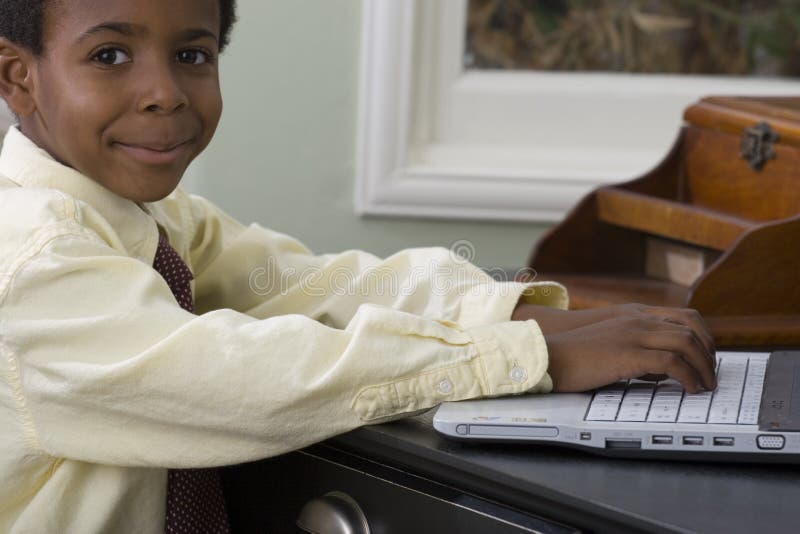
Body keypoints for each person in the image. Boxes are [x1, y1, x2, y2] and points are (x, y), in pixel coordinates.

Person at [0, 0, 716, 532]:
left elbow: (309, 284)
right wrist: (521, 356)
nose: (166, 92)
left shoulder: (144, 214)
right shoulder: (31, 259)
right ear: (18, 77)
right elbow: (225, 378)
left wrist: (520, 317)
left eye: (193, 54)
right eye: (110, 57)